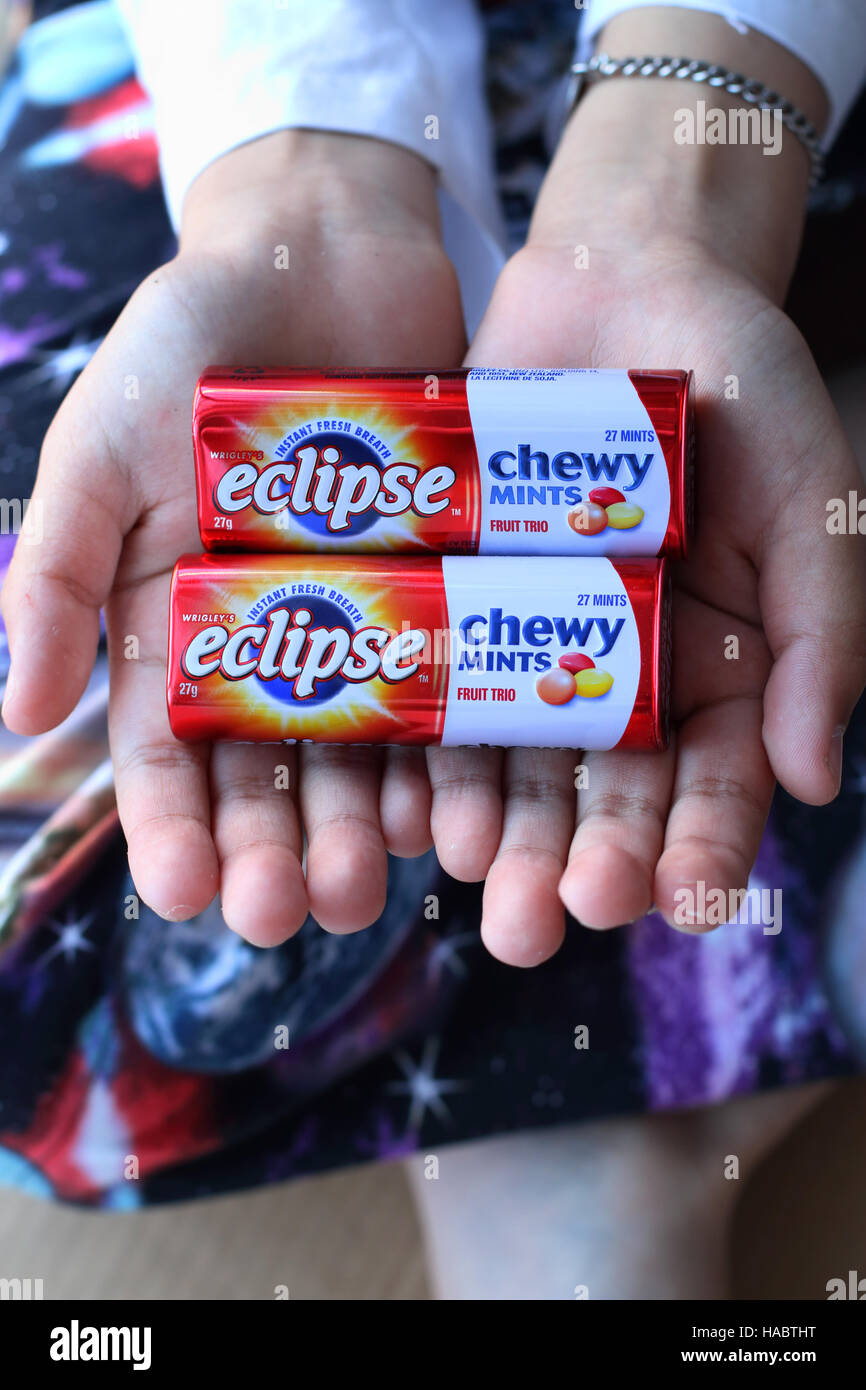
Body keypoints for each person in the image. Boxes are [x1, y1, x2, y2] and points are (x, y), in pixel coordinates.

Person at [0, 0, 864, 1299]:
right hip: (231, 82)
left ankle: (561, 1064)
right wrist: (297, 188)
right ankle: (578, 1076)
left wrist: (683, 182)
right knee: (63, 964)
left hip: (792, 109)